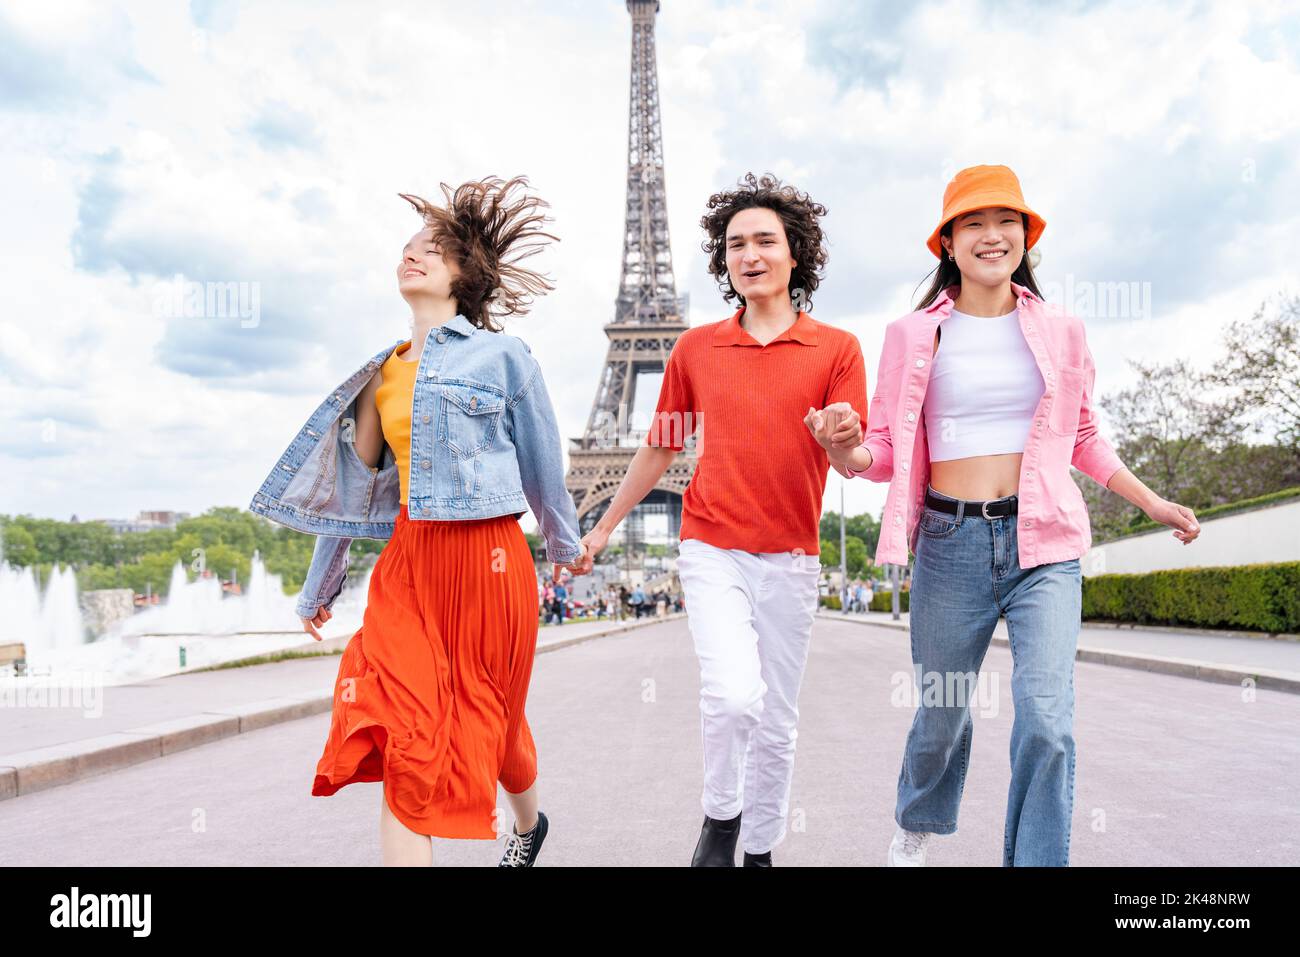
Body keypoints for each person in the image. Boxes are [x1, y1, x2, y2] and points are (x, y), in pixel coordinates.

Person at [832, 164, 1200, 866]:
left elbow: (1084, 435)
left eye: (1007, 222)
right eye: (973, 222)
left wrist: (1151, 500)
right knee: (940, 717)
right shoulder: (912, 335)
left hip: (1045, 545)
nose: (992, 235)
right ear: (947, 242)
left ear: (1026, 237)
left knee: (1046, 720)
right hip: (949, 542)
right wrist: (846, 449)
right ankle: (917, 821)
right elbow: (882, 452)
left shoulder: (1061, 329)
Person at [250, 175, 589, 868]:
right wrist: (319, 587)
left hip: (491, 565)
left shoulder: (505, 357)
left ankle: (528, 825)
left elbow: (545, 468)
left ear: (465, 274)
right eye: (406, 247)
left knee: (494, 724)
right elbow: (352, 494)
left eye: (431, 249)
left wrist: (565, 546)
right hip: (410, 567)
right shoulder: (380, 378)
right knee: (407, 733)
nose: (412, 255)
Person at [571, 172, 867, 866]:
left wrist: (841, 438)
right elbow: (659, 447)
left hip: (792, 553)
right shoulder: (694, 349)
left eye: (765, 239)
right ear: (723, 260)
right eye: (736, 244)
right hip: (712, 545)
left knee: (777, 721)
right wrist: (605, 524)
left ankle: (761, 851)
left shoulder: (838, 349)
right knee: (735, 697)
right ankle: (721, 822)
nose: (750, 253)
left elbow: (857, 459)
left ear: (795, 252)